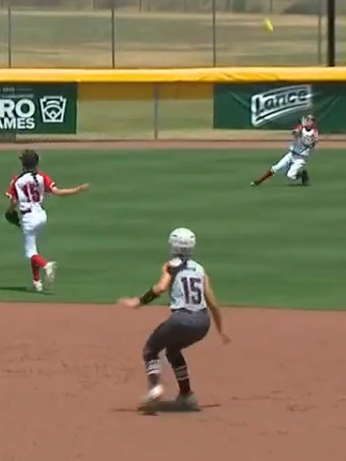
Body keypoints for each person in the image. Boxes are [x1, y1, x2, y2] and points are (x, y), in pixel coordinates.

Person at [118, 227, 231, 413]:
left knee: (151, 349)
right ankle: (186, 395)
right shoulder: (200, 270)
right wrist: (221, 330)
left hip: (181, 319)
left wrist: (138, 302)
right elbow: (212, 302)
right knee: (173, 350)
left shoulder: (170, 266)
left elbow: (161, 288)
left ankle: (155, 388)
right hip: (203, 323)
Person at [5, 149, 89, 292]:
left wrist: (10, 211)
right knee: (34, 248)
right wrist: (78, 189)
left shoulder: (17, 180)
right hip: (41, 215)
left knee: (30, 252)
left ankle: (46, 266)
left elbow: (13, 201)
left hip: (28, 218)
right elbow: (58, 192)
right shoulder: (42, 177)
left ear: (23, 164)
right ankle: (36, 282)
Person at [251, 113, 317, 187]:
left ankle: (301, 175)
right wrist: (300, 129)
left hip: (301, 158)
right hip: (291, 154)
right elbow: (294, 133)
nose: (308, 122)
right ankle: (258, 182)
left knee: (290, 176)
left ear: (313, 123)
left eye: (311, 121)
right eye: (307, 120)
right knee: (275, 168)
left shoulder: (314, 132)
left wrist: (304, 136)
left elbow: (311, 142)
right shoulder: (300, 128)